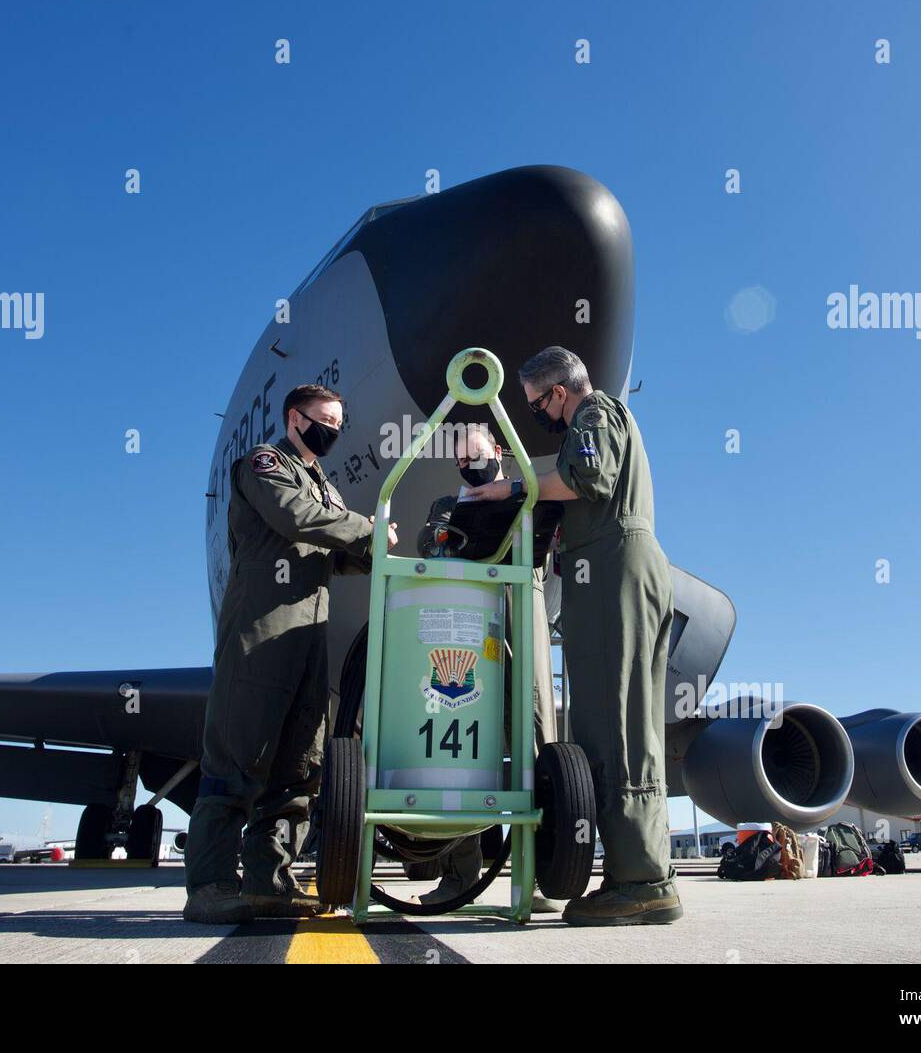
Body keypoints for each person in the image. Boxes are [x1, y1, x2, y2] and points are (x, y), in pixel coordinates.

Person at [462, 346, 681, 926]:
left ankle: (641, 881)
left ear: (559, 392)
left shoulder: (595, 413)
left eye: (538, 403)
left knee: (616, 721)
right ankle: (638, 872)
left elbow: (589, 476)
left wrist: (510, 488)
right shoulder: (593, 420)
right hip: (606, 570)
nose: (539, 413)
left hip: (616, 569)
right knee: (608, 718)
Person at [183, 384, 397, 924]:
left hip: (309, 633)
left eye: (338, 423)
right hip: (262, 628)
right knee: (237, 754)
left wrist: (378, 548)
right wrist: (366, 530)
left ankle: (268, 882)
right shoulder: (265, 464)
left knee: (301, 762)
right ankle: (208, 885)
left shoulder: (324, 487)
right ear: (294, 419)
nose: (332, 431)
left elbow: (336, 557)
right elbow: (295, 518)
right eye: (324, 420)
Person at [413, 422, 560, 911]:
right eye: (459, 460)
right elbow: (427, 546)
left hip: (522, 609)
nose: (467, 465)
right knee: (460, 739)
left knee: (534, 732)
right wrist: (454, 525)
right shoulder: (446, 506)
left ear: (498, 451)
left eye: (474, 455)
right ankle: (459, 874)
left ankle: (535, 873)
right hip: (466, 617)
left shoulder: (529, 495)